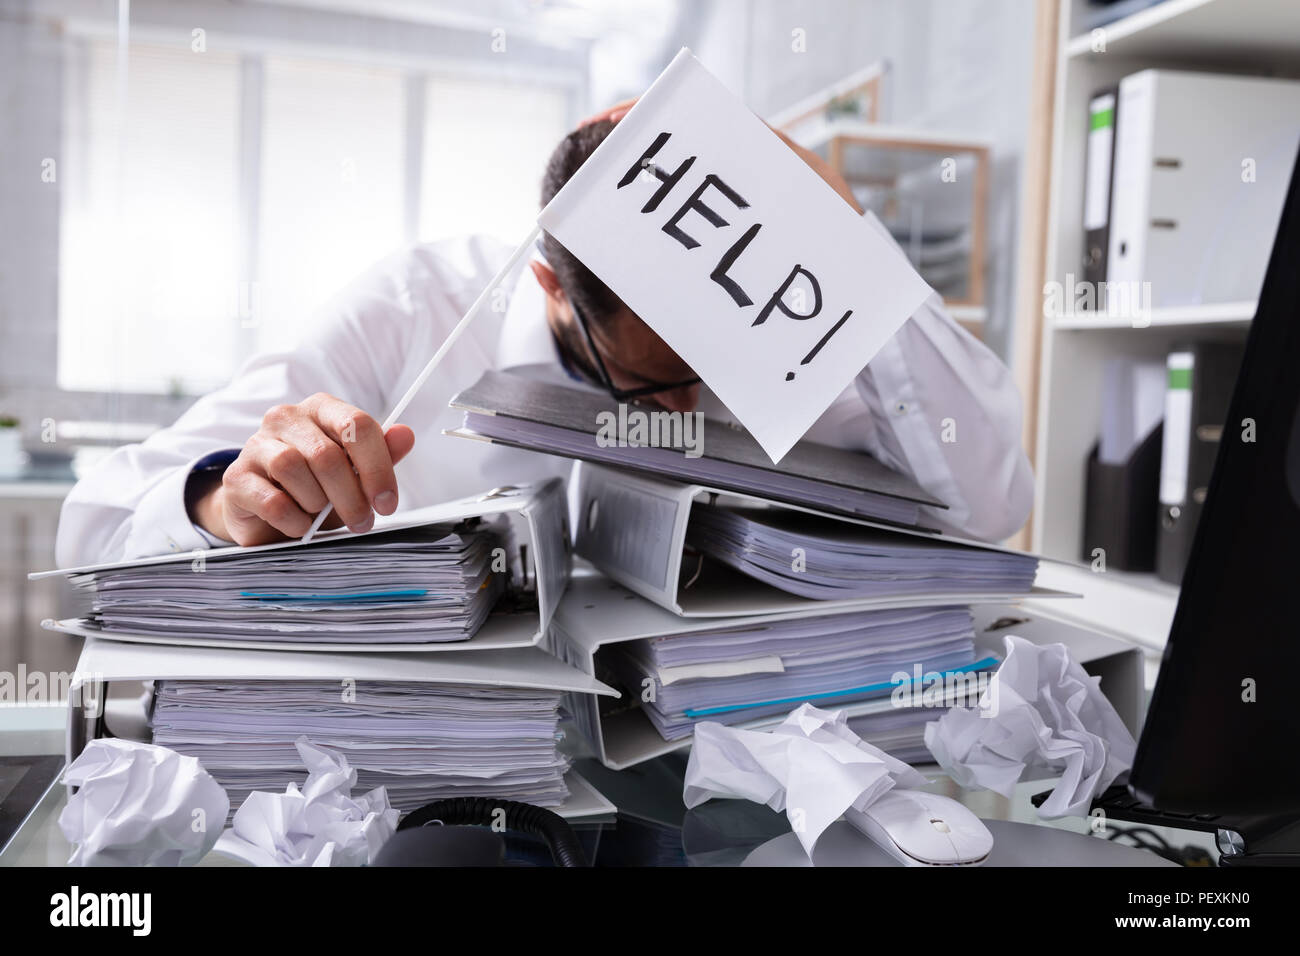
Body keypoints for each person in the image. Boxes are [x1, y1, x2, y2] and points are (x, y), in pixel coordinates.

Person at [55, 100, 1033, 568]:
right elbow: (95, 526)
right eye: (655, 385)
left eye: (709, 371)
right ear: (550, 287)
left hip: (710, 758)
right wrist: (227, 500)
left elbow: (991, 503)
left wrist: (842, 237)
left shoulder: (763, 321)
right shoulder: (413, 309)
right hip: (456, 770)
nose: (690, 411)